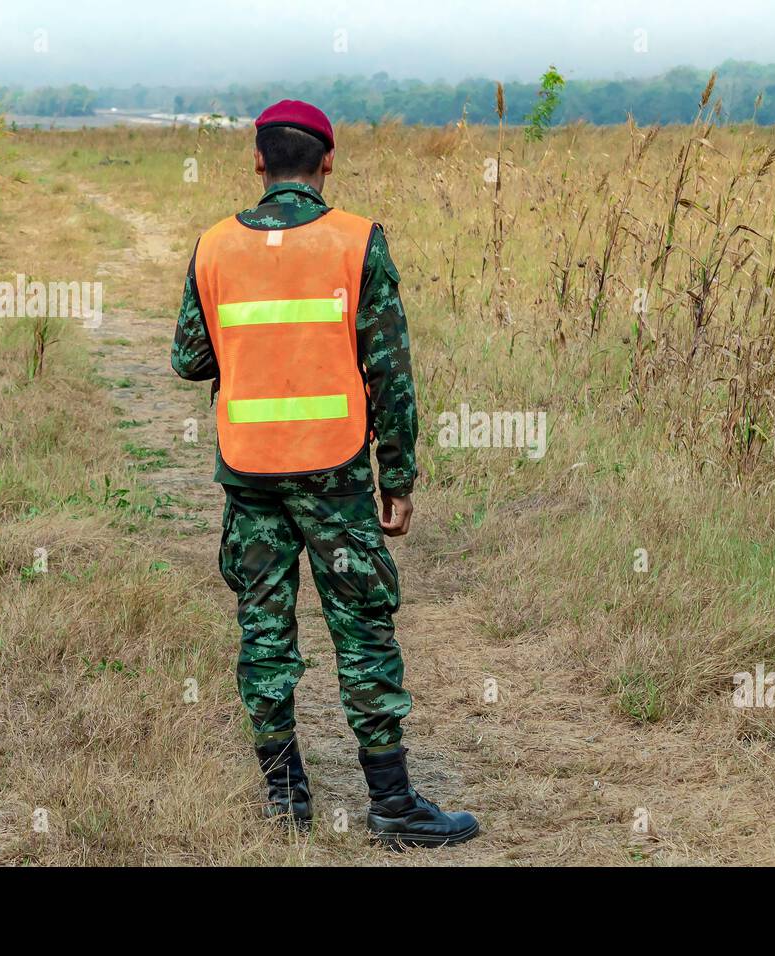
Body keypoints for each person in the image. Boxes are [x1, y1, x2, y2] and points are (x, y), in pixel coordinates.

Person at [170, 99, 478, 848]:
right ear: (327, 161)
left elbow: (188, 359)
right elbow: (391, 373)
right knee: (363, 630)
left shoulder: (212, 248)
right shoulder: (358, 242)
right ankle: (394, 805)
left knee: (264, 633)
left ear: (257, 162)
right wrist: (396, 479)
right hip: (335, 475)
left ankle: (285, 800)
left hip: (249, 476)